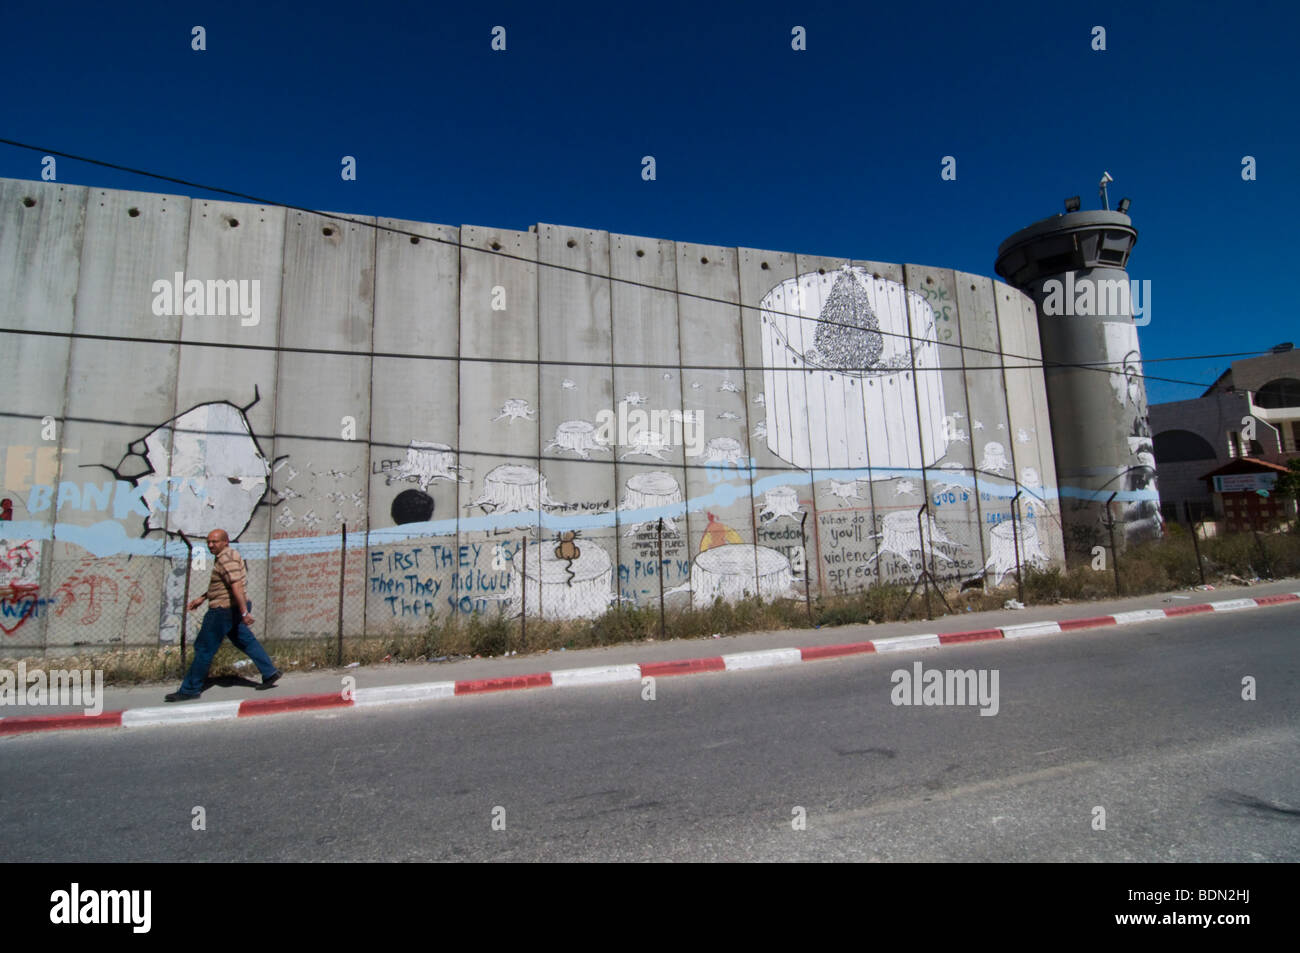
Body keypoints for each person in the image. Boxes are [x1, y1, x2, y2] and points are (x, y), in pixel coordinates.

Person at [166, 529, 281, 702]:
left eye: (215, 541)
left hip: (223, 610)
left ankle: (190, 689)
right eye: (209, 542)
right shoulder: (228, 556)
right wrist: (203, 598)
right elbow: (224, 585)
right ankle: (269, 672)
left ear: (226, 541)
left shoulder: (226, 559)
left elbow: (236, 586)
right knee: (244, 641)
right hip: (230, 607)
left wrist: (244, 612)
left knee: (203, 647)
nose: (211, 545)